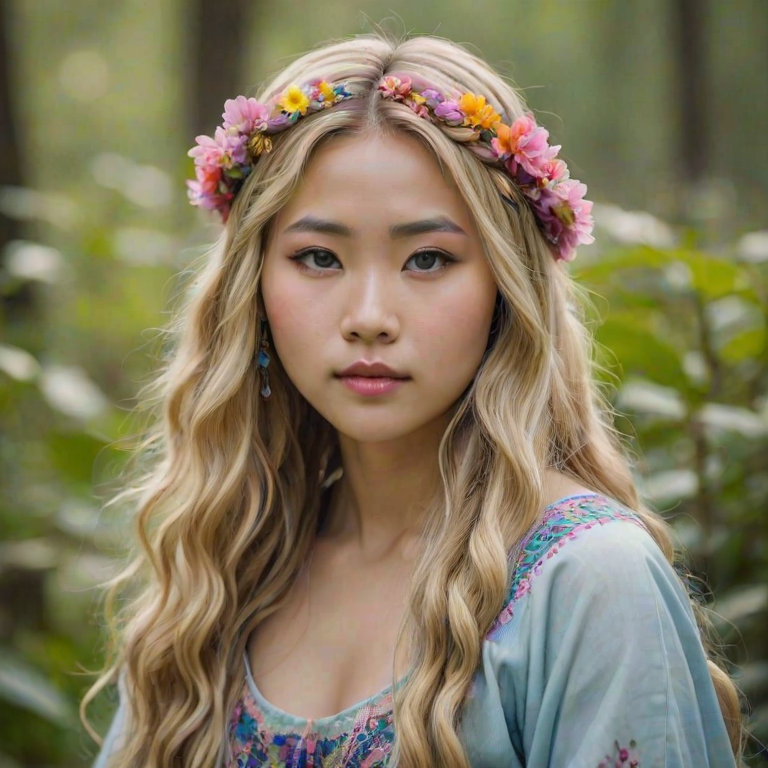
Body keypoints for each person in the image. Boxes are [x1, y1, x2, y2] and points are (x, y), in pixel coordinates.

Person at [83, 32, 745, 768]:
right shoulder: (227, 573)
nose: (370, 314)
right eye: (318, 257)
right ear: (254, 289)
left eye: (427, 259)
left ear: (505, 284)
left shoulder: (590, 582)